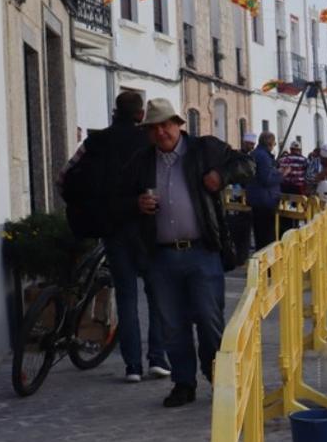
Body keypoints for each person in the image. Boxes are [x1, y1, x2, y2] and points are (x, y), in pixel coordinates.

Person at [123, 98, 254, 407]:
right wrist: (135, 204)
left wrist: (221, 176)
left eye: (166, 124)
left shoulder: (203, 149)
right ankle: (183, 383)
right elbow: (119, 197)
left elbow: (248, 164)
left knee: (210, 320)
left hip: (201, 251)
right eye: (154, 128)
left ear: (178, 124)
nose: (161, 132)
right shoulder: (141, 162)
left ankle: (220, 377)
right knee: (172, 325)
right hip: (161, 256)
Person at [78, 91, 170, 384]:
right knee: (156, 295)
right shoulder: (149, 141)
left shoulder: (95, 142)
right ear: (140, 115)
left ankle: (132, 366)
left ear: (115, 111)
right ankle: (157, 358)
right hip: (147, 228)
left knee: (127, 297)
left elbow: (66, 176)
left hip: (113, 228)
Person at [244, 131, 281, 250]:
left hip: (256, 199)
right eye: (274, 144)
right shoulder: (264, 157)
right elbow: (267, 179)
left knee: (259, 235)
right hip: (265, 200)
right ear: (269, 143)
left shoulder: (254, 154)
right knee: (267, 237)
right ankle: (267, 267)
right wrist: (282, 175)